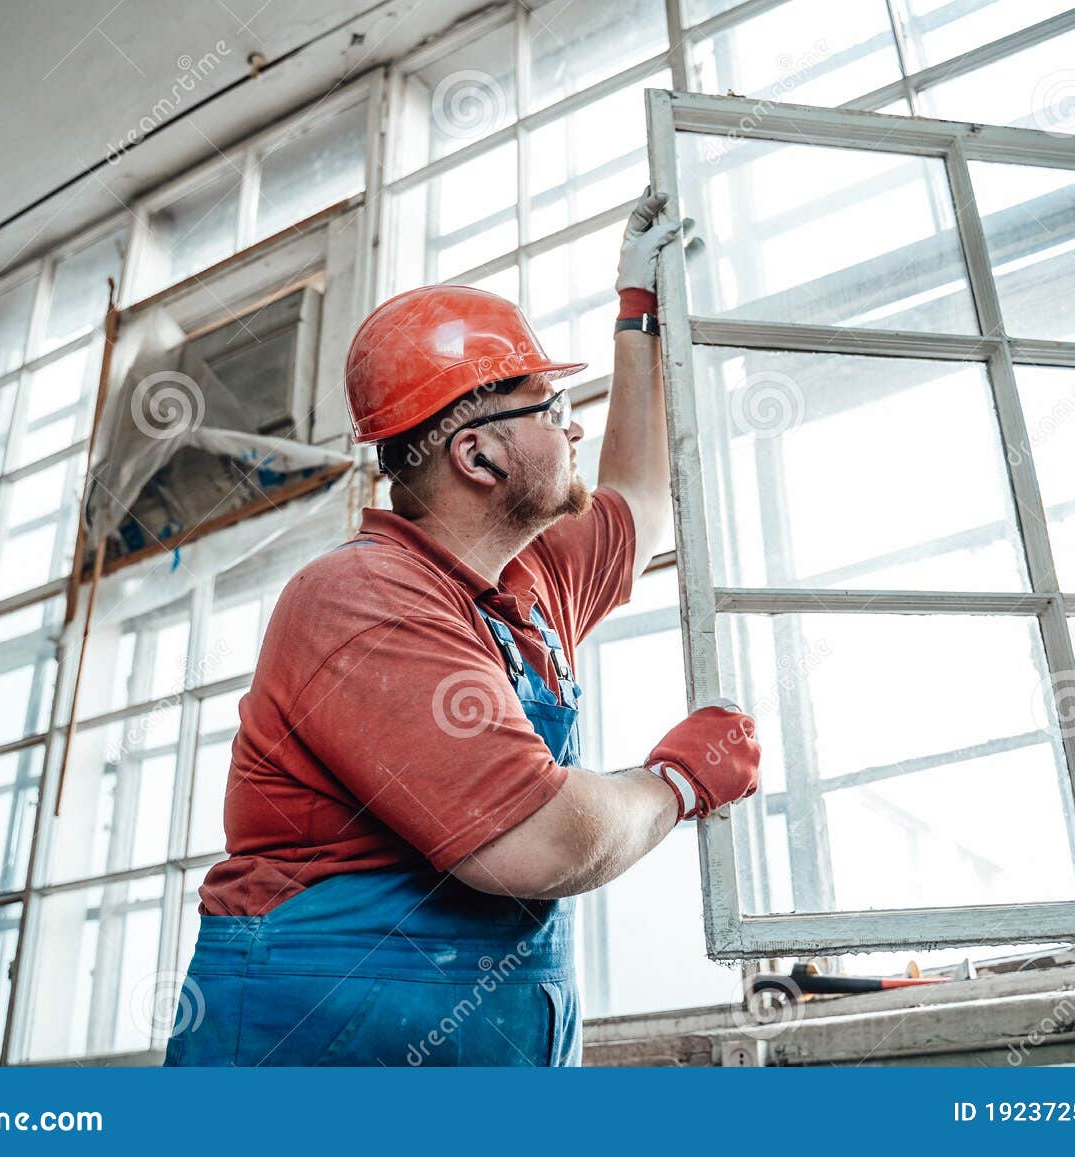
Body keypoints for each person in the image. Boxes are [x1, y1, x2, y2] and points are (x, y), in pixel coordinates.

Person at [164, 188, 761, 1067]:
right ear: (476, 455)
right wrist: (676, 782)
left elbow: (637, 497)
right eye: (549, 410)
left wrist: (641, 319)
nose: (575, 426)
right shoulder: (360, 600)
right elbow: (542, 841)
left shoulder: (527, 578)